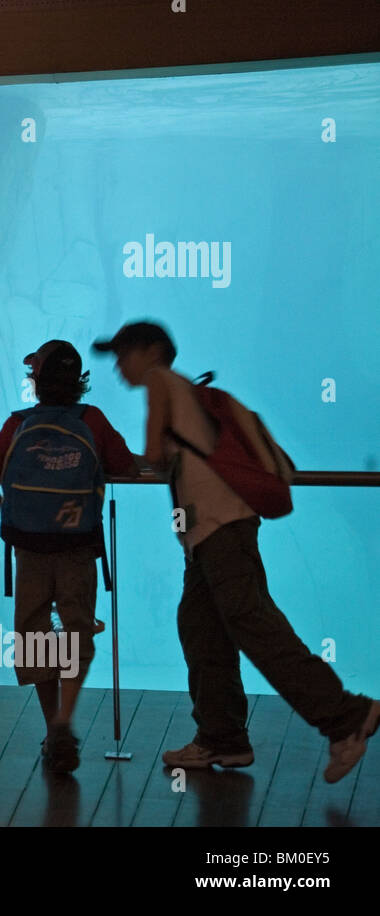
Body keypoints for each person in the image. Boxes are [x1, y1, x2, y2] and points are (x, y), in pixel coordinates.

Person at [93, 320, 379, 782]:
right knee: (201, 628)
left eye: (124, 354)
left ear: (151, 352)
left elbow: (153, 454)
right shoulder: (185, 388)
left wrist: (112, 460)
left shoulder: (163, 384)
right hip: (210, 532)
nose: (119, 366)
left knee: (257, 627)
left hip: (220, 528)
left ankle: (347, 718)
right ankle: (222, 739)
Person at [0, 340, 139, 772]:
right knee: (76, 629)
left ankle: (52, 730)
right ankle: (67, 718)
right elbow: (127, 466)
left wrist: (11, 511)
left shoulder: (17, 423)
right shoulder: (93, 421)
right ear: (79, 381)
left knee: (34, 635)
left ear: (37, 382)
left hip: (29, 547)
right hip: (77, 546)